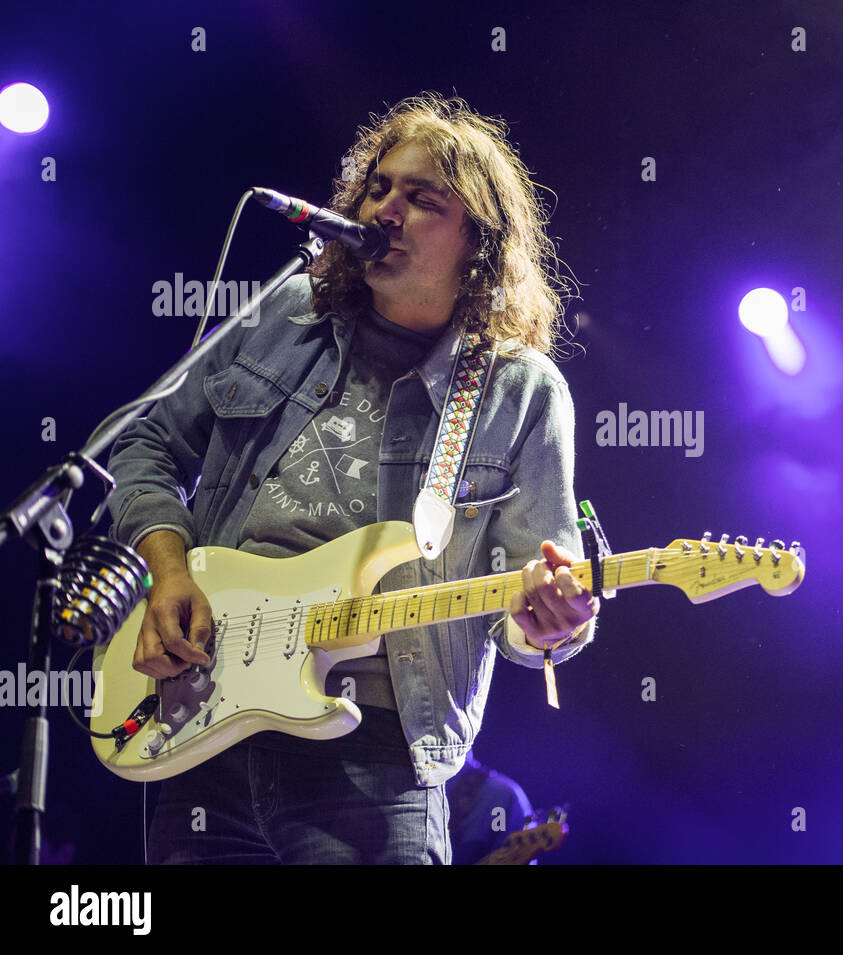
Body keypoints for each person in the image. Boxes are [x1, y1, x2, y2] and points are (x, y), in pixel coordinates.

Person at [105, 92, 597, 864]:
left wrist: (551, 618)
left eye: (422, 197)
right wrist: (168, 571)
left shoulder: (518, 390)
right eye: (378, 187)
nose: (386, 208)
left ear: (480, 241)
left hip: (377, 765)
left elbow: (537, 612)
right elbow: (143, 443)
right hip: (204, 728)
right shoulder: (285, 312)